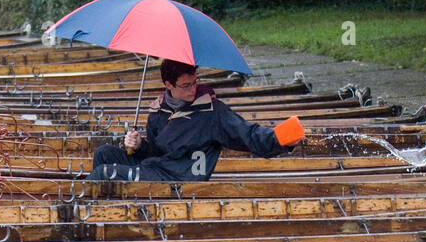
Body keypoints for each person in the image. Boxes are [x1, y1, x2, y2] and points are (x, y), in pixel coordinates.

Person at [89, 59, 304, 181]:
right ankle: (107, 211)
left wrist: (283, 138)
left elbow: (247, 134)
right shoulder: (157, 113)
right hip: (159, 167)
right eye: (186, 85)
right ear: (168, 85)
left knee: (102, 173)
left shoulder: (212, 112)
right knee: (103, 153)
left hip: (181, 177)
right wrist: (138, 146)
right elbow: (156, 153)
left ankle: (79, 213)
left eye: (195, 82)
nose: (193, 89)